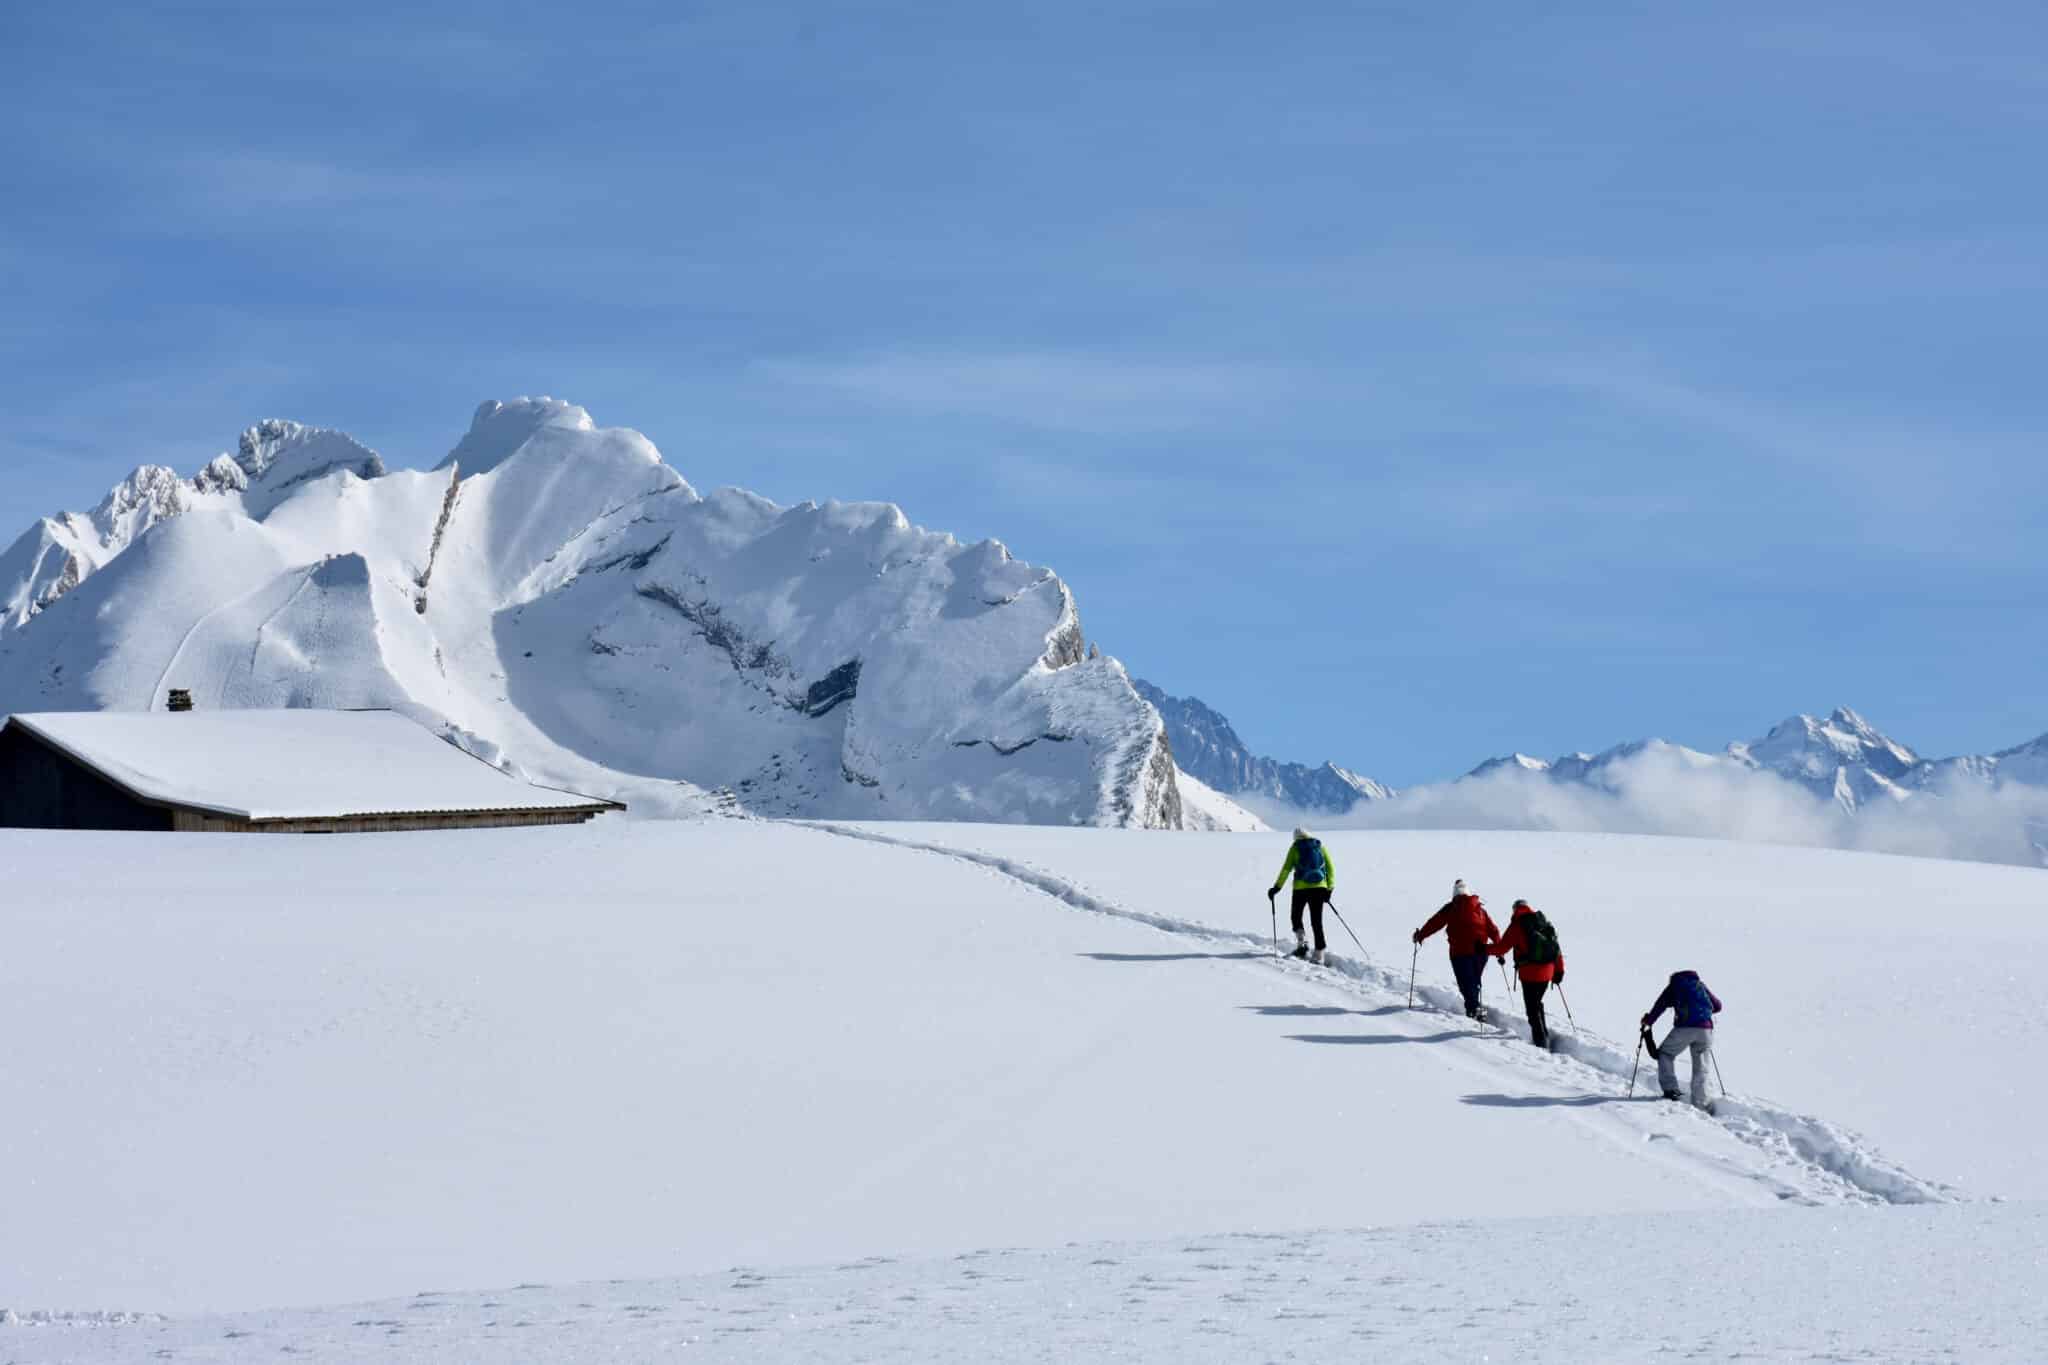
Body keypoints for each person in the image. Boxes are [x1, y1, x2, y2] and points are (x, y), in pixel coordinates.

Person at [1413, 879, 1500, 1020]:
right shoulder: (1480, 910)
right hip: (1481, 953)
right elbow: (1493, 930)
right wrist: (1499, 949)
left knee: (1465, 983)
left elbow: (1435, 923)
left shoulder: (1452, 907)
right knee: (1473, 981)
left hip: (1460, 953)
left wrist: (1420, 935)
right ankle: (1474, 1009)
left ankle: (1474, 1010)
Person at [1490, 899, 1564, 1049]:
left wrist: (1483, 949)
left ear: (1515, 910)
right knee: (1536, 1003)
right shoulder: (1543, 922)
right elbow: (1556, 949)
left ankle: (1541, 1043)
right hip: (1548, 972)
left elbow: (1501, 948)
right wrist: (1559, 970)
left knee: (1532, 1009)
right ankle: (1545, 1036)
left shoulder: (1517, 926)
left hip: (1530, 974)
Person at [1642, 970, 1723, 1106]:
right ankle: (1700, 1103)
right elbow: (1718, 1006)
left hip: (1685, 1028)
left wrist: (1648, 1021)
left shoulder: (1675, 986)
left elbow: (1660, 1005)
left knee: (1665, 1053)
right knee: (1701, 1067)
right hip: (1706, 1030)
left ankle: (1671, 1090)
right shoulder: (1699, 985)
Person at [1268, 827, 1334, 964]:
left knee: (1296, 916)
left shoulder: (1295, 848)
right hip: (1319, 888)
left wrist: (1277, 887)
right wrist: (1329, 889)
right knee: (1317, 921)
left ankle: (1302, 944)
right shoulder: (1319, 846)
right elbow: (1330, 868)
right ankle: (1319, 953)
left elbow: (1286, 869)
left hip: (1300, 889)